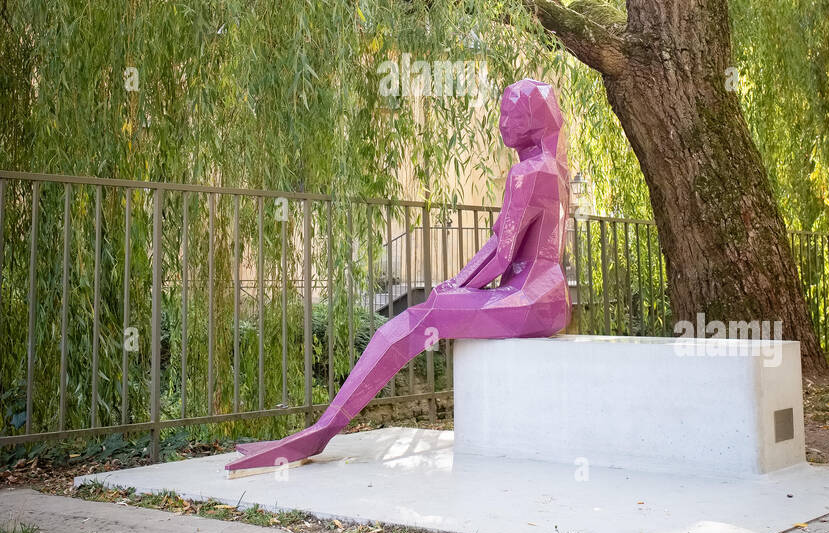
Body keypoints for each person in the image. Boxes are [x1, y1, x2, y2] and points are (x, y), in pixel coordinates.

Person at [227, 78, 571, 472]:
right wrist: (456, 288)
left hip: (528, 301)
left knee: (415, 318)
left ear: (531, 119)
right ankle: (320, 430)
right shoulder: (555, 170)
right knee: (427, 310)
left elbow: (502, 251)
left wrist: (454, 287)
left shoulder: (527, 174)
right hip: (550, 299)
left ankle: (321, 432)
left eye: (509, 113)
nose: (501, 123)